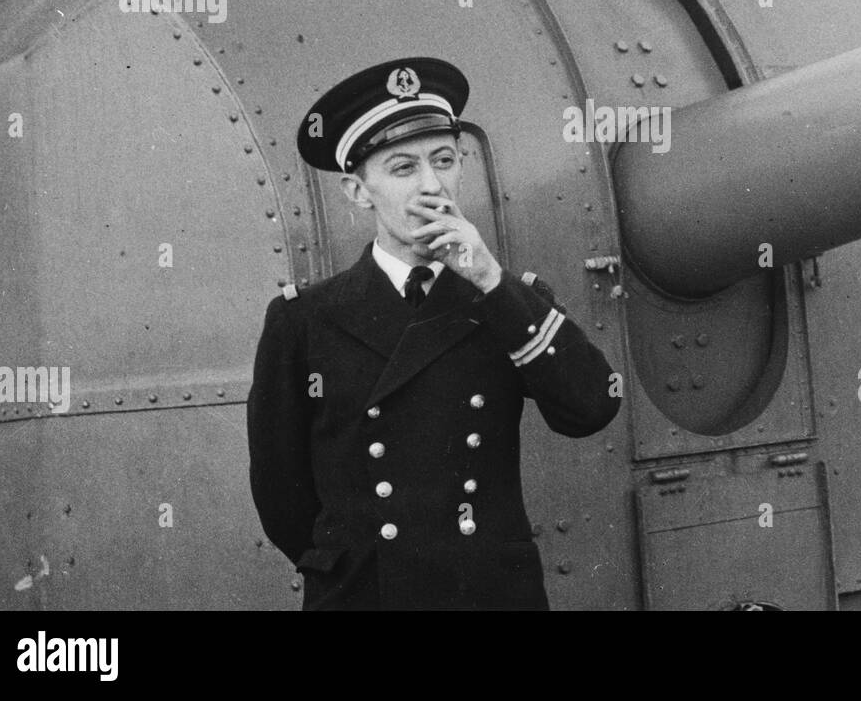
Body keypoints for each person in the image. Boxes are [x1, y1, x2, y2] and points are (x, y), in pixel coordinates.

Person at [247, 57, 621, 610]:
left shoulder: (503, 298)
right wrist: (353, 564)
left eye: (443, 161)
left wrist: (491, 280)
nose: (430, 186)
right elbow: (282, 496)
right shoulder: (304, 320)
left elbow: (592, 407)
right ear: (357, 191)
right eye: (403, 168)